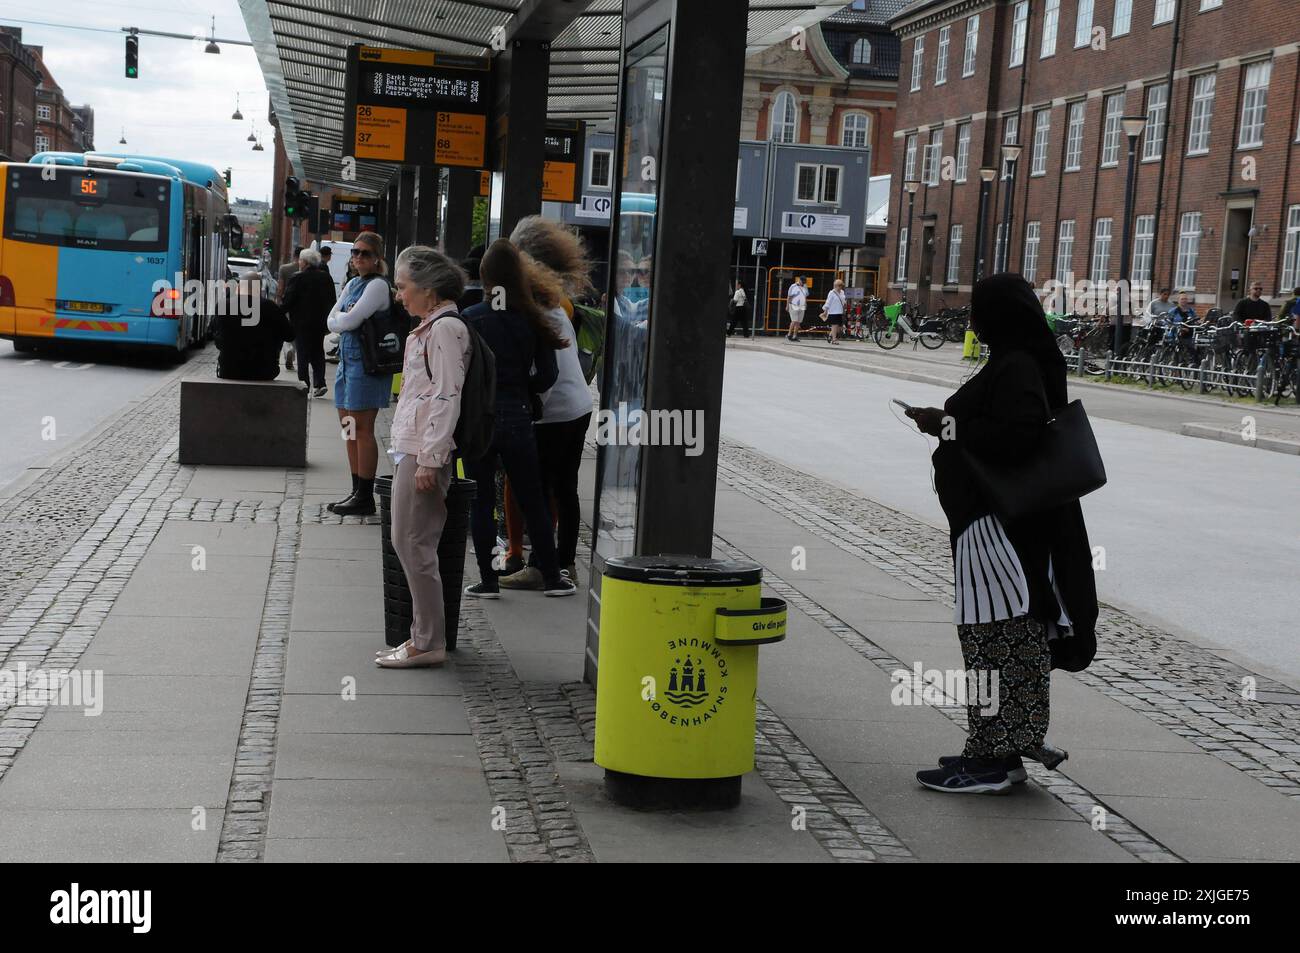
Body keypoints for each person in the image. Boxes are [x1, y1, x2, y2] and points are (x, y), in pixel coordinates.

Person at [904, 273, 1097, 794]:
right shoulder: (1018, 361)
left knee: (997, 638)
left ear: (1001, 317)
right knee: (999, 638)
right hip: (996, 528)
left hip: (998, 533)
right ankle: (997, 751)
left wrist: (941, 423)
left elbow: (1016, 439)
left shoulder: (1016, 367)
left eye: (979, 310)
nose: (972, 320)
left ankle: (991, 761)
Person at [375, 246, 472, 669]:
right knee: (409, 541)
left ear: (428, 290)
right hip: (415, 447)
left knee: (414, 543)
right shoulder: (433, 327)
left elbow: (447, 395)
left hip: (424, 451)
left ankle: (427, 641)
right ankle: (423, 637)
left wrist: (432, 459)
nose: (399, 295)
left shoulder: (445, 330)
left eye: (403, 287)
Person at [462, 239, 575, 598]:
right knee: (532, 498)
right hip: (519, 417)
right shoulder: (531, 318)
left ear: (484, 275)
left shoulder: (471, 318)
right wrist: (524, 391)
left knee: (481, 501)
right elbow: (548, 373)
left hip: (480, 420)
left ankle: (489, 578)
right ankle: (553, 578)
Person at [497, 216, 596, 589]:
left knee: (537, 488)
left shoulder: (535, 311)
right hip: (578, 407)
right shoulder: (556, 305)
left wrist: (531, 408)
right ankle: (564, 562)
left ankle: (540, 566)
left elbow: (545, 373)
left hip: (555, 412)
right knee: (564, 488)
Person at [324, 231, 394, 516]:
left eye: (364, 253)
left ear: (377, 258)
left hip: (366, 365)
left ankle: (365, 494)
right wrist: (344, 319)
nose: (357, 258)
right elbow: (333, 321)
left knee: (363, 430)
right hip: (347, 361)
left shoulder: (378, 286)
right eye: (355, 252)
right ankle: (355, 489)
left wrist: (343, 319)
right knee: (348, 428)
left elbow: (349, 319)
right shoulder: (353, 283)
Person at [280, 246, 337, 397]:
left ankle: (304, 384)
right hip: (319, 322)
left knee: (303, 353)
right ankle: (320, 383)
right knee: (318, 351)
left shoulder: (297, 277)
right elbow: (333, 300)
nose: (299, 263)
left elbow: (288, 300)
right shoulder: (326, 277)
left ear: (304, 262)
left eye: (300, 260)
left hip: (301, 322)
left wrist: (279, 313)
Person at [213, 275, 293, 381]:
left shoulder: (223, 305)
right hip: (264, 371)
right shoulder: (271, 307)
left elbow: (216, 335)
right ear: (259, 289)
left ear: (239, 286)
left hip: (229, 370)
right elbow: (290, 335)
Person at [276, 246, 303, 371]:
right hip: (301, 305)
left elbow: (280, 287)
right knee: (297, 331)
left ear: (294, 255)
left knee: (285, 328)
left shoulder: (284, 268)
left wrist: (279, 301)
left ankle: (289, 350)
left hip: (286, 303)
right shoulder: (304, 268)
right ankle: (294, 351)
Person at [824, 278, 848, 345]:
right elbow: (828, 302)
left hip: (840, 312)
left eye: (841, 285)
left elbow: (843, 300)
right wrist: (825, 311)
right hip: (833, 312)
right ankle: (834, 340)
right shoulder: (831, 293)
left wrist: (845, 304)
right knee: (834, 326)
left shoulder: (842, 292)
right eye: (839, 285)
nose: (840, 287)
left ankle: (830, 335)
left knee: (839, 328)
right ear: (835, 286)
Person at [787, 276, 807, 341]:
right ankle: (789, 334)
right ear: (799, 280)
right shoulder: (793, 286)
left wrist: (805, 303)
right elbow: (789, 296)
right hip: (794, 304)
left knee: (798, 322)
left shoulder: (805, 286)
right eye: (802, 282)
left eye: (804, 282)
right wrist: (787, 305)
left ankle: (795, 335)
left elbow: (805, 295)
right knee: (794, 320)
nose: (803, 283)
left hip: (801, 305)